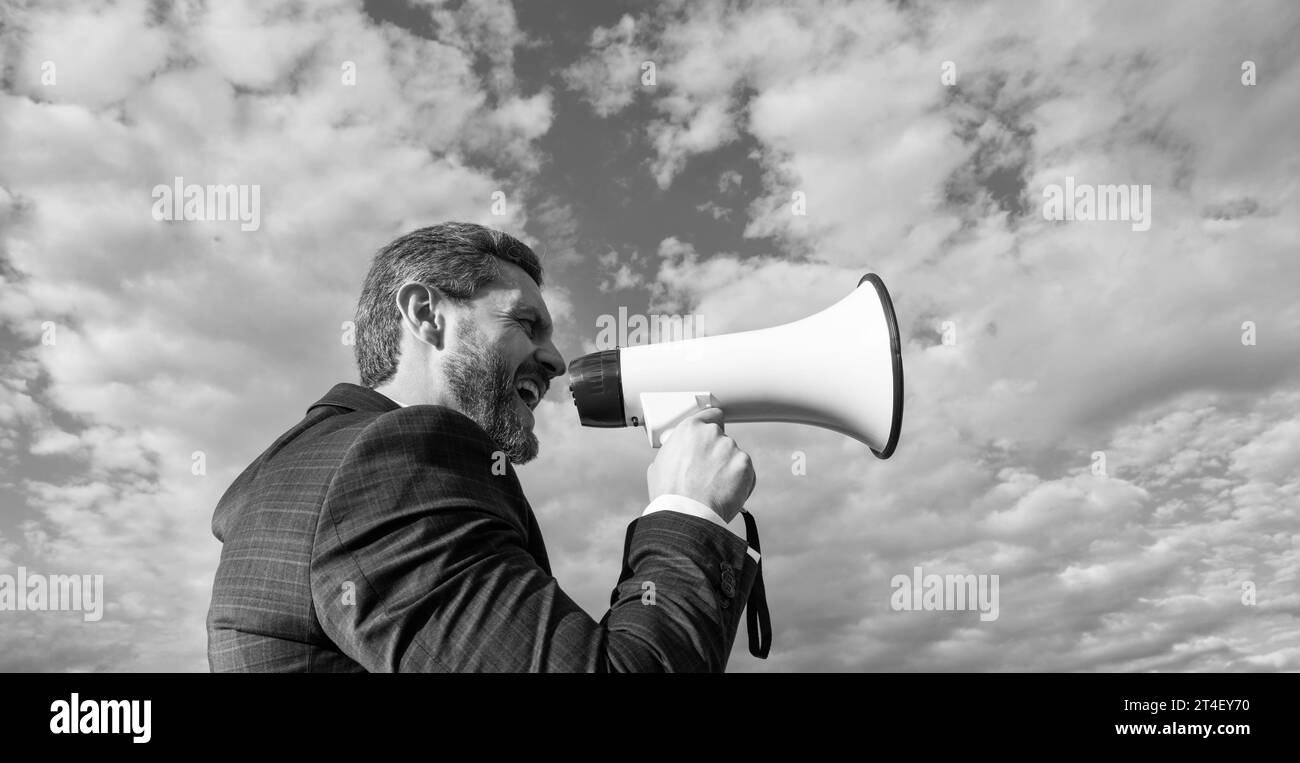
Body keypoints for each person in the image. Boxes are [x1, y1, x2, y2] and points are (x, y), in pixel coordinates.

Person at [206, 222, 767, 671]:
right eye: (527, 324)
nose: (555, 361)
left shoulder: (307, 467)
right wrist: (690, 512)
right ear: (426, 314)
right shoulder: (393, 458)